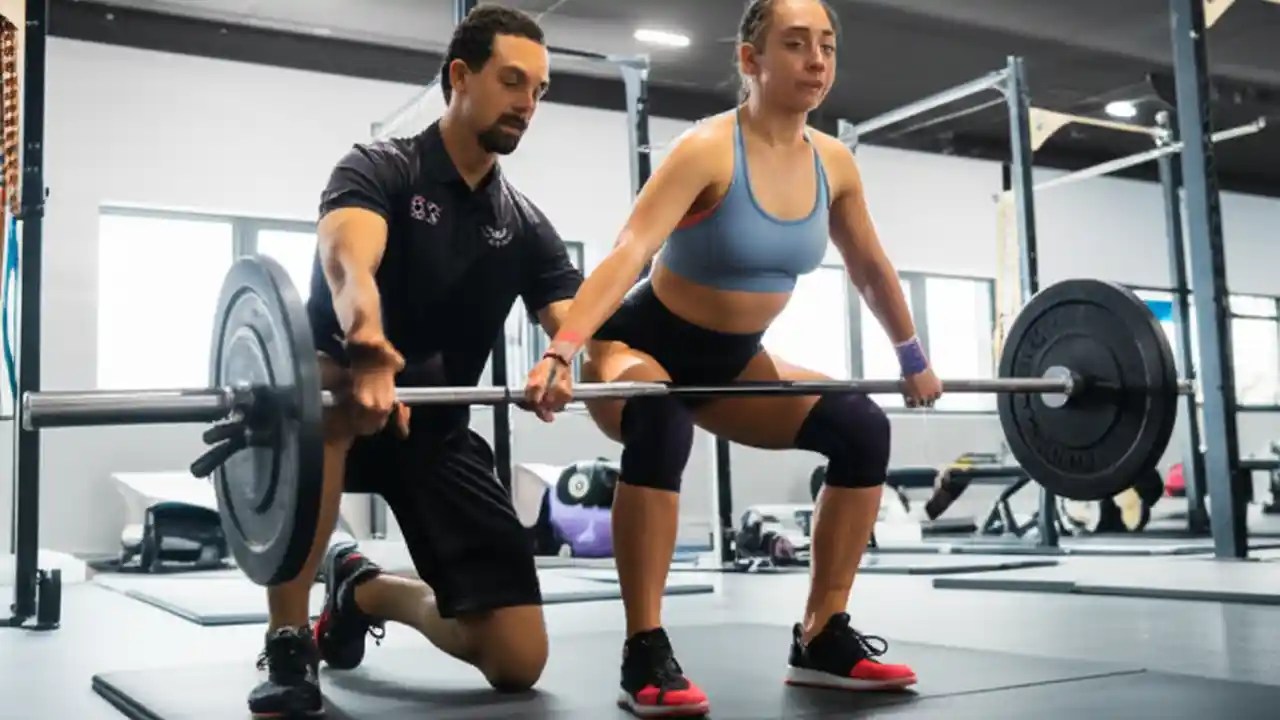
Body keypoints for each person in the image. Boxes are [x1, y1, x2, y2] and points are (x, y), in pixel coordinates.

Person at [522, 0, 943, 716]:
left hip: (733, 364)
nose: (817, 60)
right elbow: (630, 249)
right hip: (637, 346)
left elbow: (870, 267)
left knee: (861, 428)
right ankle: (644, 650)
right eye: (796, 44)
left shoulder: (833, 162)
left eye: (827, 46)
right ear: (751, 60)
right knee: (661, 420)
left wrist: (912, 355)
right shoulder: (708, 149)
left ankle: (821, 636)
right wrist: (562, 351)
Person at [247, 6, 583, 718]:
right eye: (512, 81)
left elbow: (576, 320)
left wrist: (575, 357)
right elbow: (349, 265)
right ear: (460, 76)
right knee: (332, 405)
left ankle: (364, 591)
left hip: (434, 432)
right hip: (335, 409)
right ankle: (288, 639)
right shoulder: (379, 169)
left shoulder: (523, 223)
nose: (528, 103)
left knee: (516, 660)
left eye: (540, 90)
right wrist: (367, 347)